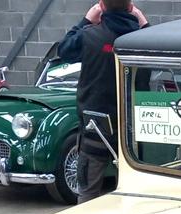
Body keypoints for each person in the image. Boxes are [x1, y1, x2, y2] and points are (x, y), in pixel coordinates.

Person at [58, 0, 149, 202]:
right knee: (135, 193)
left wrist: (85, 20)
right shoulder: (143, 40)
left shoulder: (89, 35)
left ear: (101, 6)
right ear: (131, 7)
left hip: (96, 129)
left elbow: (64, 50)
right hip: (132, 131)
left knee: (88, 194)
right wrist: (143, 23)